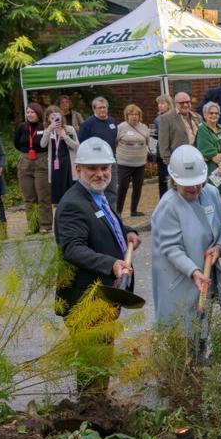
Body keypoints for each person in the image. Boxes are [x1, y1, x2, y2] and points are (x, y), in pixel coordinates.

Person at [54, 138, 139, 399]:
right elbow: (73, 249)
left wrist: (128, 232)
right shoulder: (72, 204)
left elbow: (109, 223)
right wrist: (111, 264)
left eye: (105, 168)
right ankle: (89, 417)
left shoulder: (97, 195)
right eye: (92, 168)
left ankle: (97, 411)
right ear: (78, 169)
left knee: (102, 359)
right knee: (93, 364)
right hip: (86, 300)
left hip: (103, 296)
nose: (100, 173)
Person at [151, 145, 221, 331]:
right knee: (181, 334)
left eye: (199, 182)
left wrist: (219, 246)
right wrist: (194, 271)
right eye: (188, 185)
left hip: (205, 277)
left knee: (202, 330)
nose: (195, 188)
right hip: (179, 280)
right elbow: (171, 248)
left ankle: (200, 356)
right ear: (174, 181)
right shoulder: (168, 206)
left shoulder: (211, 192)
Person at [13, 103, 52, 233]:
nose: (29, 114)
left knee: (43, 196)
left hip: (41, 162)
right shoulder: (22, 127)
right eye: (28, 112)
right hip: (25, 161)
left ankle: (45, 225)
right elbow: (16, 143)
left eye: (32, 112)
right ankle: (33, 225)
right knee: (29, 197)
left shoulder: (45, 126)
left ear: (38, 113)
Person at [78, 97, 120, 203]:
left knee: (112, 191)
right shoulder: (87, 124)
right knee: (95, 190)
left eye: (104, 107)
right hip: (94, 164)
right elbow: (83, 144)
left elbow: (114, 139)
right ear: (94, 109)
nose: (102, 110)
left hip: (110, 162)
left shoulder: (112, 121)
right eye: (100, 108)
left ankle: (111, 215)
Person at [115, 103, 153, 216]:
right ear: (127, 115)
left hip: (140, 163)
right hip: (124, 163)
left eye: (136, 114)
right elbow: (115, 142)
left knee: (138, 186)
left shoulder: (144, 127)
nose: (134, 116)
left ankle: (134, 210)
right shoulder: (121, 127)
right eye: (131, 114)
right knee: (123, 186)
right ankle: (118, 211)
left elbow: (147, 142)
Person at [195, 101, 221, 197]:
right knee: (213, 193)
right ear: (205, 115)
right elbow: (208, 149)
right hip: (212, 167)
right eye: (211, 113)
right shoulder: (202, 129)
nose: (214, 115)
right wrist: (220, 165)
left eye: (216, 113)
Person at [43, 106, 80, 206]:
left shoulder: (69, 129)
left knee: (71, 193)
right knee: (58, 197)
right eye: (52, 118)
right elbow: (42, 144)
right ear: (48, 119)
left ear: (61, 117)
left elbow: (77, 147)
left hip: (68, 165)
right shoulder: (48, 131)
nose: (55, 120)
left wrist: (64, 136)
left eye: (57, 117)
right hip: (55, 166)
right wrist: (49, 129)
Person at [152, 94, 172, 200]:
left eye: (163, 103)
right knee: (162, 180)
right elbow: (155, 136)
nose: (160, 106)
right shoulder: (157, 119)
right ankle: (163, 201)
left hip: (171, 152)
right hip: (161, 153)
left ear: (169, 105)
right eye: (159, 103)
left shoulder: (173, 117)